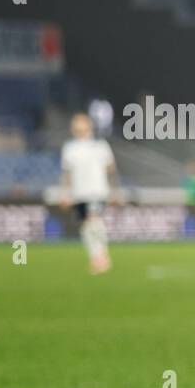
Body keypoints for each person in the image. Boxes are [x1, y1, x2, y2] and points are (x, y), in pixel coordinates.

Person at [57, 112, 120, 274]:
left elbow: (111, 169)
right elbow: (66, 174)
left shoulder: (100, 146)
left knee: (94, 220)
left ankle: (101, 257)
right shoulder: (70, 148)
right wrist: (64, 194)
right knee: (86, 226)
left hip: (97, 191)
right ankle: (96, 256)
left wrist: (115, 191)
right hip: (79, 193)